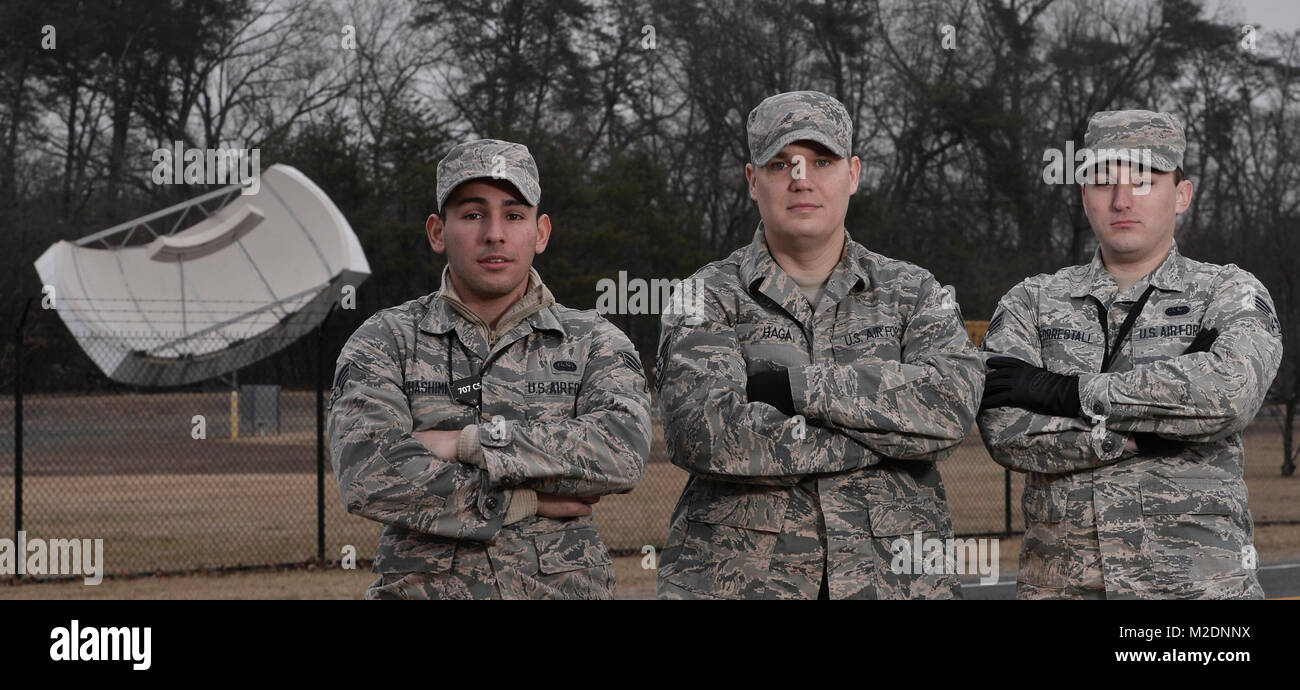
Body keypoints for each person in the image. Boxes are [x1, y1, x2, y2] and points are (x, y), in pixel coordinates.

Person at [654, 91, 984, 599]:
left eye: (821, 161)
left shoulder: (914, 292)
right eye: (781, 163)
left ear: (853, 174)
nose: (801, 177)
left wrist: (793, 389)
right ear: (752, 180)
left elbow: (950, 409)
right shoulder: (704, 296)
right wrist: (883, 441)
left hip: (897, 583)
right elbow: (706, 434)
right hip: (741, 583)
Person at [977, 110, 1283, 599]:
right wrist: (1145, 435)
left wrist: (1065, 393)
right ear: (1083, 197)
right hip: (1063, 589)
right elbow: (1007, 430)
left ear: (1181, 195)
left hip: (1197, 590)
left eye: (1143, 179)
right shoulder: (1031, 301)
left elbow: (1229, 394)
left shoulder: (1228, 292)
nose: (1122, 199)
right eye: (1102, 182)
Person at [328, 138, 651, 599]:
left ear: (540, 232)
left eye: (514, 215)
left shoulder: (592, 342)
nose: (494, 233)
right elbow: (369, 474)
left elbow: (621, 453)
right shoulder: (385, 341)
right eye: (473, 214)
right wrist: (526, 500)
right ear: (438, 231)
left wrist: (467, 443)